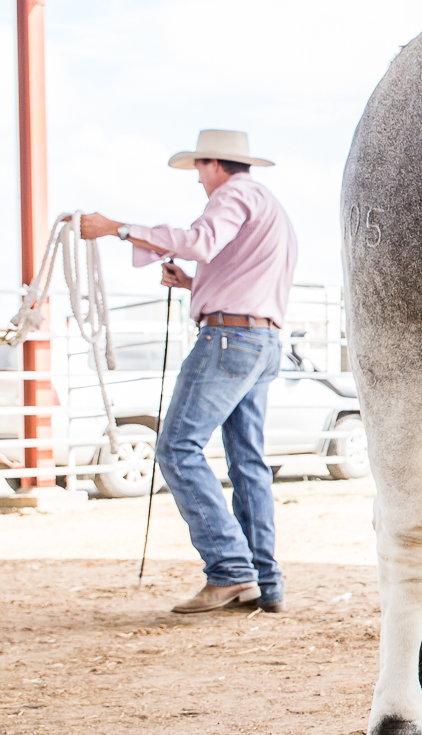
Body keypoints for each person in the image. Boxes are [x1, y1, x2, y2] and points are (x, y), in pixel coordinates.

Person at [80, 130, 299, 616]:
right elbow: (244, 275)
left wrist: (118, 229)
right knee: (247, 461)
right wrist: (194, 285)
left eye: (199, 168)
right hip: (261, 340)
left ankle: (230, 568)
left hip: (228, 339)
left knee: (177, 447)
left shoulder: (232, 196)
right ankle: (264, 581)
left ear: (213, 164)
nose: (198, 179)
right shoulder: (268, 205)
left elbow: (201, 241)